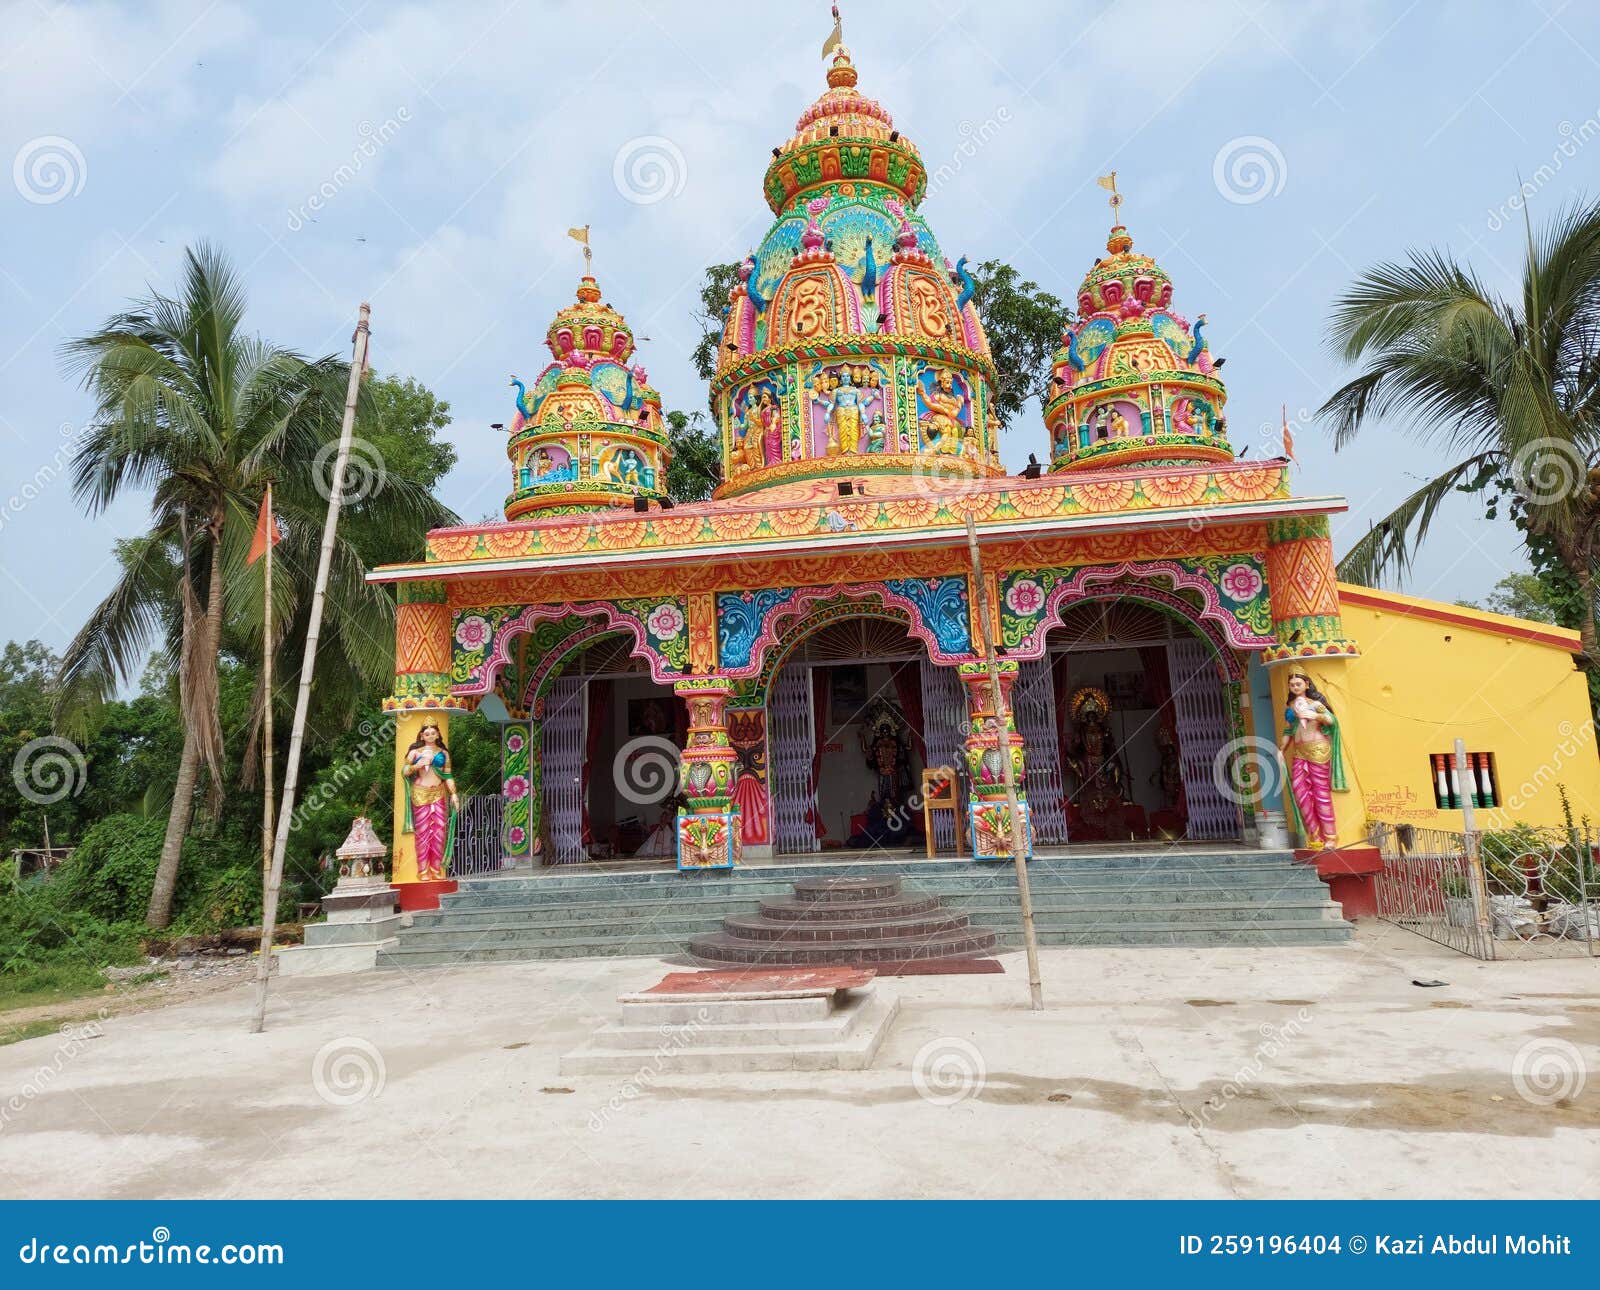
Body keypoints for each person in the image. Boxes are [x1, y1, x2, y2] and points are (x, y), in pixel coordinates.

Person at [1278, 672, 1345, 848]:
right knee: (1300, 793)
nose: (1295, 687)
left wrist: (1313, 715)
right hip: (1299, 752)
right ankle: (1314, 836)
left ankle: (1331, 837)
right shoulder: (1291, 708)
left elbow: (1331, 720)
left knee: (1321, 794)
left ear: (1307, 684)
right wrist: (1281, 749)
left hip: (1318, 749)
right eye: (1292, 685)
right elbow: (1288, 730)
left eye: (1298, 684)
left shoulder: (1316, 704)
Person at [402, 723, 457, 880]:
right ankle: (423, 870)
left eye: (434, 733)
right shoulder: (415, 752)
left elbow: (448, 775)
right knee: (423, 833)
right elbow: (404, 771)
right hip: (420, 793)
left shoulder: (443, 754)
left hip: (439, 793)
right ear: (422, 736)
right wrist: (416, 765)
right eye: (427, 733)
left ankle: (436, 868)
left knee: (439, 832)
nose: (431, 736)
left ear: (438, 735)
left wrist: (453, 794)